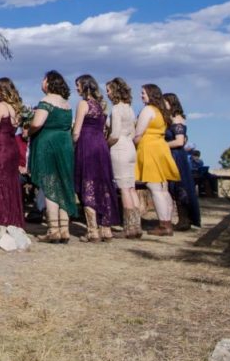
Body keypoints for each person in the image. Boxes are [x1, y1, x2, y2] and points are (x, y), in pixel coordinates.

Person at [27, 71, 79, 243]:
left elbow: (37, 123)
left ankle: (53, 230)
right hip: (65, 144)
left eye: (44, 80)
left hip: (48, 144)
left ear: (49, 83)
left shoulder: (46, 101)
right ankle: (65, 230)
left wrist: (29, 131)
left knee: (50, 185)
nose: (42, 83)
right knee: (63, 185)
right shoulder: (67, 104)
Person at [71, 74, 118, 242]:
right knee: (102, 184)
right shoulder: (100, 105)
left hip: (87, 145)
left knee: (87, 183)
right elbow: (106, 127)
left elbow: (76, 132)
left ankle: (92, 231)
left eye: (78, 85)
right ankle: (106, 229)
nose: (76, 88)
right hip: (101, 146)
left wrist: (71, 143)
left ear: (85, 86)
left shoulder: (83, 104)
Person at [133, 83, 181, 237]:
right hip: (160, 147)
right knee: (162, 188)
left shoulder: (148, 110)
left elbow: (138, 133)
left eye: (143, 93)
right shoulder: (162, 111)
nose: (141, 95)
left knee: (154, 187)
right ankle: (167, 221)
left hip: (149, 148)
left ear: (151, 94)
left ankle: (164, 225)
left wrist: (133, 143)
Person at [105, 77, 142, 238]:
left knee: (124, 188)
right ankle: (136, 225)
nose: (107, 93)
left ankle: (128, 227)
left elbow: (114, 133)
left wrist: (106, 144)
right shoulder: (129, 108)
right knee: (131, 187)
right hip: (130, 146)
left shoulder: (117, 109)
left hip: (119, 147)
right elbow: (133, 132)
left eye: (109, 90)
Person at [162, 92, 201, 229]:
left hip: (176, 155)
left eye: (164, 102)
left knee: (179, 187)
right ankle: (182, 219)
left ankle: (184, 220)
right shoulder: (170, 119)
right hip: (171, 155)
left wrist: (160, 145)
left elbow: (179, 141)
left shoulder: (176, 119)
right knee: (174, 188)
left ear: (171, 103)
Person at [0, 77, 26, 229]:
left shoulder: (0, 107)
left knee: (1, 182)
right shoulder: (16, 108)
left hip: (1, 149)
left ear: (3, 89)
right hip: (13, 148)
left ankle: (3, 219)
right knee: (12, 183)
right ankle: (13, 218)